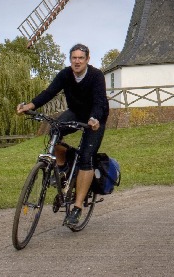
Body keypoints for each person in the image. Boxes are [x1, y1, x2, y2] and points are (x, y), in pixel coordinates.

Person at [17, 43, 108, 226]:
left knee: (86, 158)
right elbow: (50, 92)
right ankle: (62, 167)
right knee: (54, 131)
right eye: (74, 58)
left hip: (95, 118)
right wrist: (31, 105)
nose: (77, 61)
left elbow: (99, 101)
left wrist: (95, 119)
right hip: (75, 112)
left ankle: (77, 207)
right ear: (70, 59)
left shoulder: (96, 76)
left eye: (81, 58)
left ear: (87, 59)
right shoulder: (66, 74)